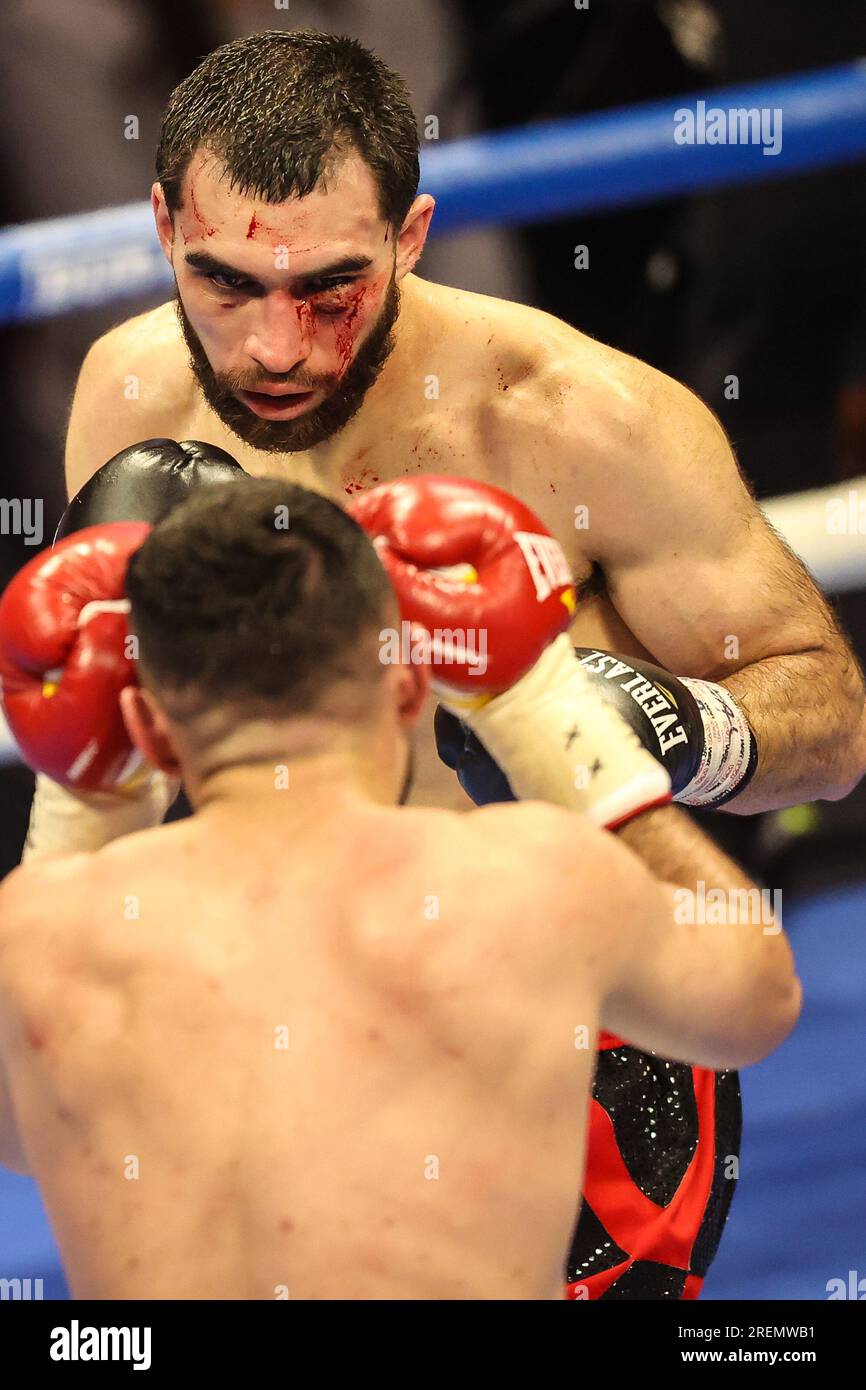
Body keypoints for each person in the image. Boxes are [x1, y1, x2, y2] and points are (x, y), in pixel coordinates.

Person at [0, 475, 800, 1299]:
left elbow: (40, 1137)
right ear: (410, 688)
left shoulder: (34, 937)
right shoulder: (530, 882)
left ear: (150, 734)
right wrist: (543, 708)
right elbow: (755, 999)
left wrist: (87, 798)